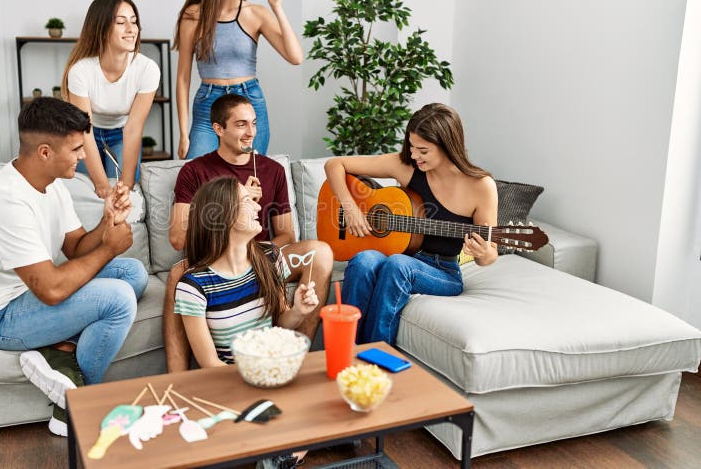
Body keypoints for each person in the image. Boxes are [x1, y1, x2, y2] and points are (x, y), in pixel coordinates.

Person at [0, 97, 148, 436]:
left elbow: (75, 248)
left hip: (28, 292)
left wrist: (106, 221)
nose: (84, 156)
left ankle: (58, 347)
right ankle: (73, 406)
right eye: (75, 149)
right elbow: (52, 289)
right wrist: (108, 249)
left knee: (133, 274)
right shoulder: (5, 200)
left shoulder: (51, 185)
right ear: (44, 152)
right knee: (117, 298)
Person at [163, 93, 332, 372]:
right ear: (219, 129)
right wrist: (232, 206)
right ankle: (176, 377)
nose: (251, 132)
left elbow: (287, 235)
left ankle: (294, 355)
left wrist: (253, 255)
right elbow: (178, 238)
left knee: (322, 252)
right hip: (212, 257)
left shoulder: (273, 170)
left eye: (253, 123)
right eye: (241, 124)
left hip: (260, 254)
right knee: (176, 275)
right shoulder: (194, 171)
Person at [323, 103, 498, 345]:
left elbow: (489, 256)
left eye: (423, 150)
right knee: (364, 260)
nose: (414, 156)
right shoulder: (406, 166)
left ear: (447, 146)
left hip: (442, 271)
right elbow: (335, 165)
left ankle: (375, 357)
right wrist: (350, 208)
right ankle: (344, 348)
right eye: (412, 147)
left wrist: (483, 252)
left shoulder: (481, 186)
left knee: (398, 265)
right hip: (400, 254)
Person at [174, 0, 303, 159]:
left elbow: (296, 57)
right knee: (200, 178)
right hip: (208, 106)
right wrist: (184, 133)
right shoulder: (193, 16)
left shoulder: (256, 13)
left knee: (248, 174)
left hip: (249, 102)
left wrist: (277, 8)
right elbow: (183, 78)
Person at [174, 177, 319, 366]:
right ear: (221, 215)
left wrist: (299, 310)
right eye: (247, 201)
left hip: (272, 370)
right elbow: (209, 363)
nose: (258, 208)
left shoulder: (271, 257)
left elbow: (282, 323)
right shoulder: (193, 285)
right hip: (230, 381)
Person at [62, 0, 160, 198]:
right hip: (85, 133)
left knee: (124, 190)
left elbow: (133, 128)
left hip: (122, 132)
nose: (131, 29)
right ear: (102, 28)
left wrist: (126, 185)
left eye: (134, 22)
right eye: (121, 22)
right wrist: (101, 184)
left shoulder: (147, 69)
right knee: (87, 193)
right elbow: (84, 129)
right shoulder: (80, 71)